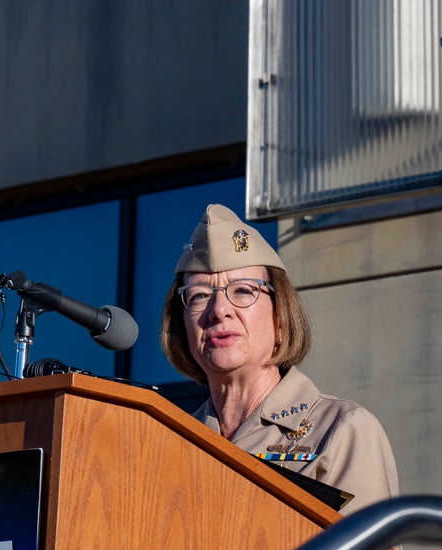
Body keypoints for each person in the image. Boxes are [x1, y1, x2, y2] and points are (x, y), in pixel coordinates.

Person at [161, 204, 398, 515]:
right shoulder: (171, 442)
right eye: (200, 296)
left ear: (281, 319)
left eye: (243, 291)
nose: (218, 310)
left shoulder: (341, 431)